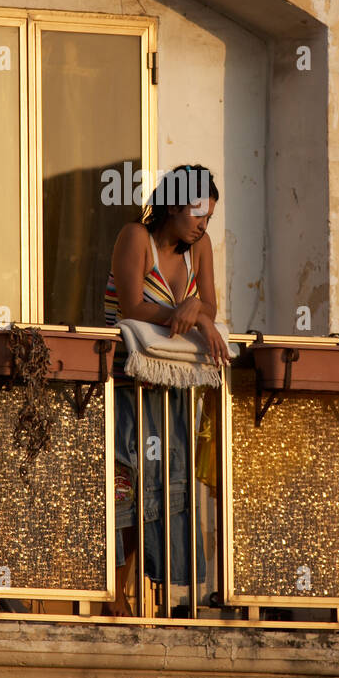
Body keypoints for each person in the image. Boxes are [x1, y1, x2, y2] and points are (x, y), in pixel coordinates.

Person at [103, 165, 230, 615]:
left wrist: (196, 308)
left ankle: (141, 590)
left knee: (161, 487)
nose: (202, 224)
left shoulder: (201, 249)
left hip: (173, 383)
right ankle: (113, 595)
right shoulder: (135, 236)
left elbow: (210, 303)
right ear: (174, 205)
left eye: (209, 218)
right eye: (198, 213)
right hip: (125, 381)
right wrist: (185, 312)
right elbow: (132, 305)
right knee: (124, 483)